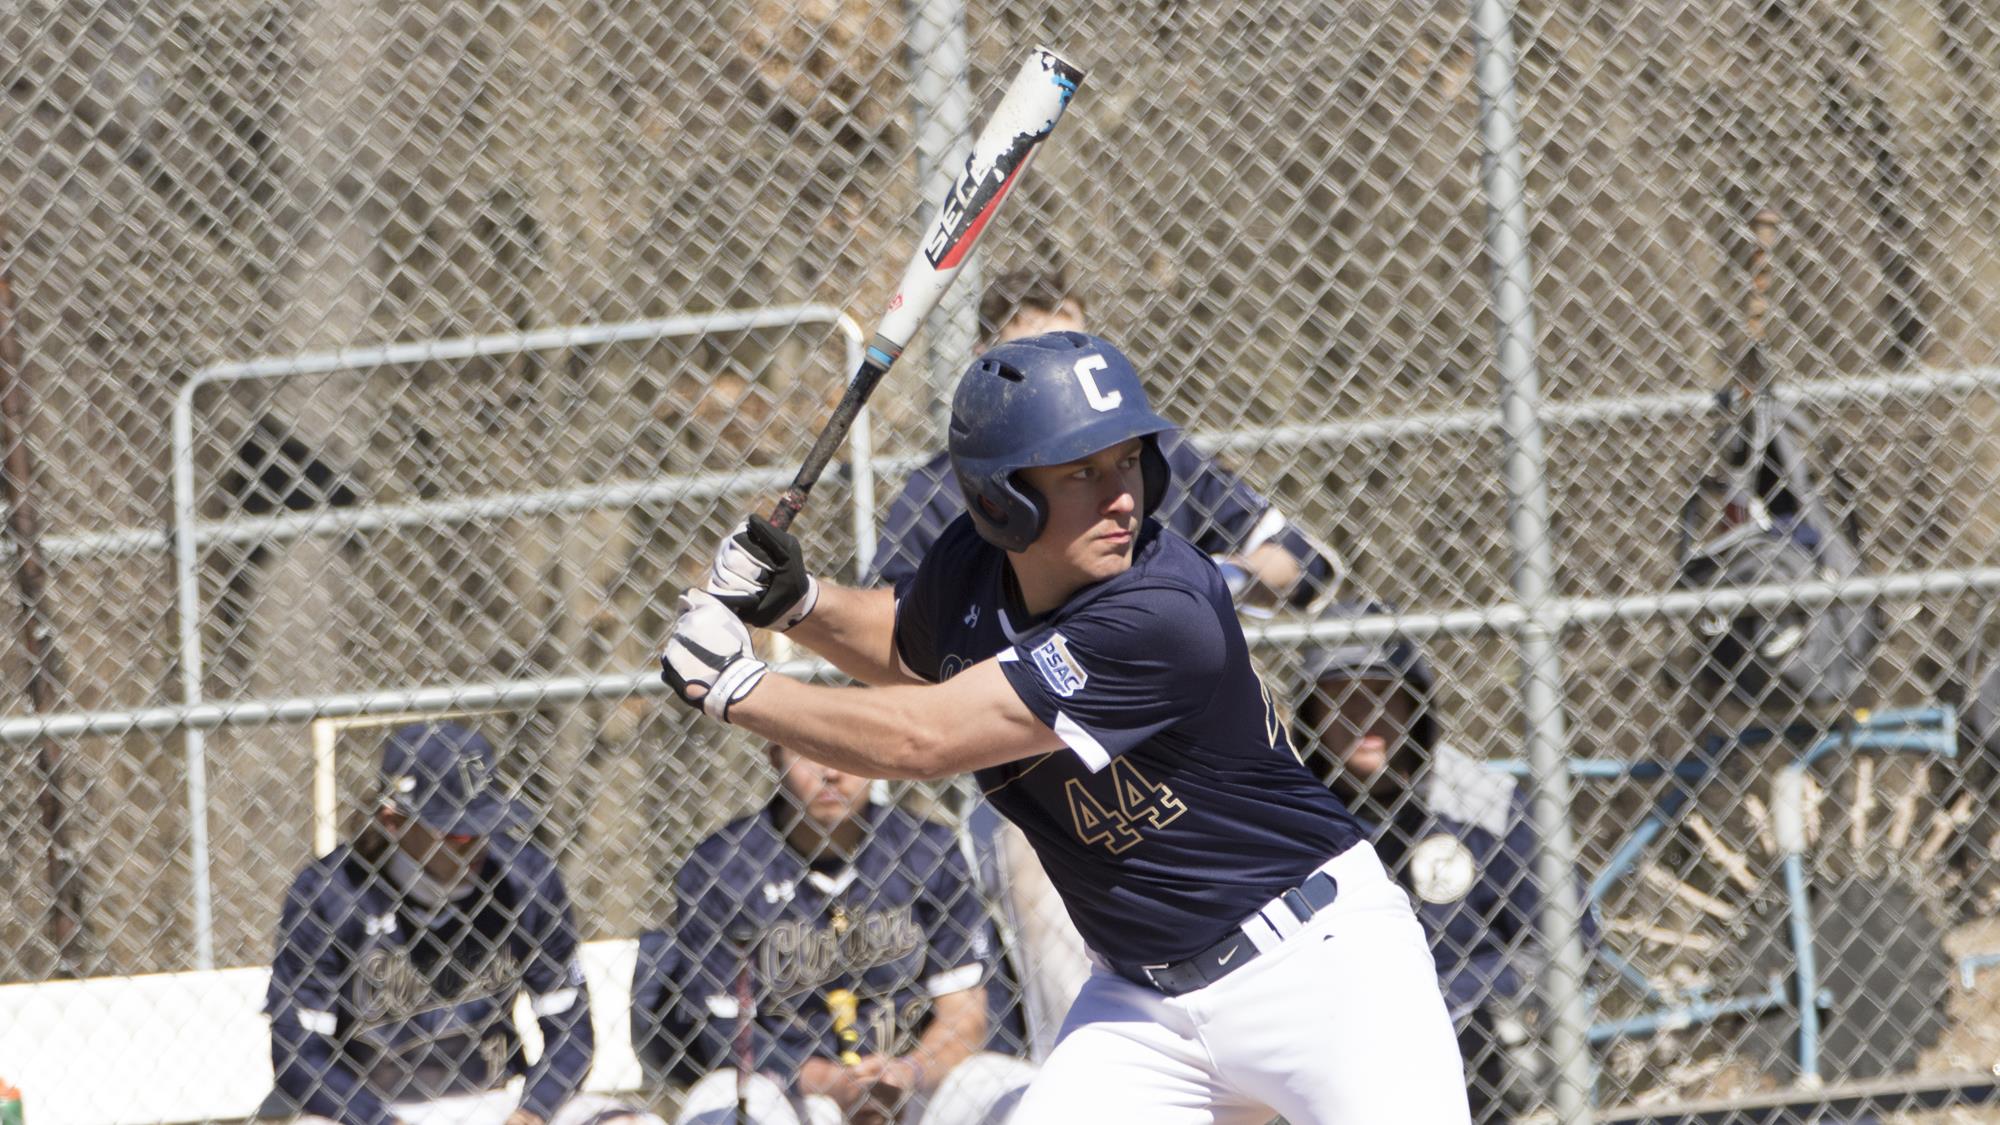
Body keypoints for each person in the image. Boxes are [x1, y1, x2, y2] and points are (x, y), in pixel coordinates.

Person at [660, 331, 1469, 1122]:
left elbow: (923, 736)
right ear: (999, 500)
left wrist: (736, 687)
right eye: (1082, 471)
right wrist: (798, 603)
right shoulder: (973, 564)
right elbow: (907, 644)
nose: (1122, 496)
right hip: (1144, 1006)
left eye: (1128, 461)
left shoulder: (1162, 612)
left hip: (1317, 968)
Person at [866, 267, 1338, 614]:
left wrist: (1199, 584)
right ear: (984, 360)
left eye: (1073, 353)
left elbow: (1301, 560)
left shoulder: (1155, 450)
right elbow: (890, 621)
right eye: (1033, 361)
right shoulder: (944, 488)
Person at [258, 722, 658, 1125]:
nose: (478, 844)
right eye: (458, 835)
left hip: (500, 1101)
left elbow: (570, 1031)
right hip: (377, 1110)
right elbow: (298, 1052)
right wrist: (378, 1120)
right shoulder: (333, 892)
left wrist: (532, 1112)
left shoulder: (525, 879)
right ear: (393, 821)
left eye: (486, 825)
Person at [1295, 602, 1594, 1123]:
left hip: (1474, 1044)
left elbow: (1572, 936)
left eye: (1382, 693)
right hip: (1339, 1045)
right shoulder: (1286, 821)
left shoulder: (1481, 800)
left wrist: (1441, 999)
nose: (1363, 716)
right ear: (1311, 714)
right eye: (1341, 697)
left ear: (1415, 704)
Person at [630, 742, 1034, 1125]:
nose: (831, 772)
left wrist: (907, 1072)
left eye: (846, 751)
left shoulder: (927, 849)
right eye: (809, 753)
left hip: (916, 1085)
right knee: (723, 1100)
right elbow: (726, 1036)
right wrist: (830, 1082)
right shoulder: (721, 867)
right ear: (775, 757)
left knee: (1017, 1087)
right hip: (796, 1093)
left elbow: (965, 1013)